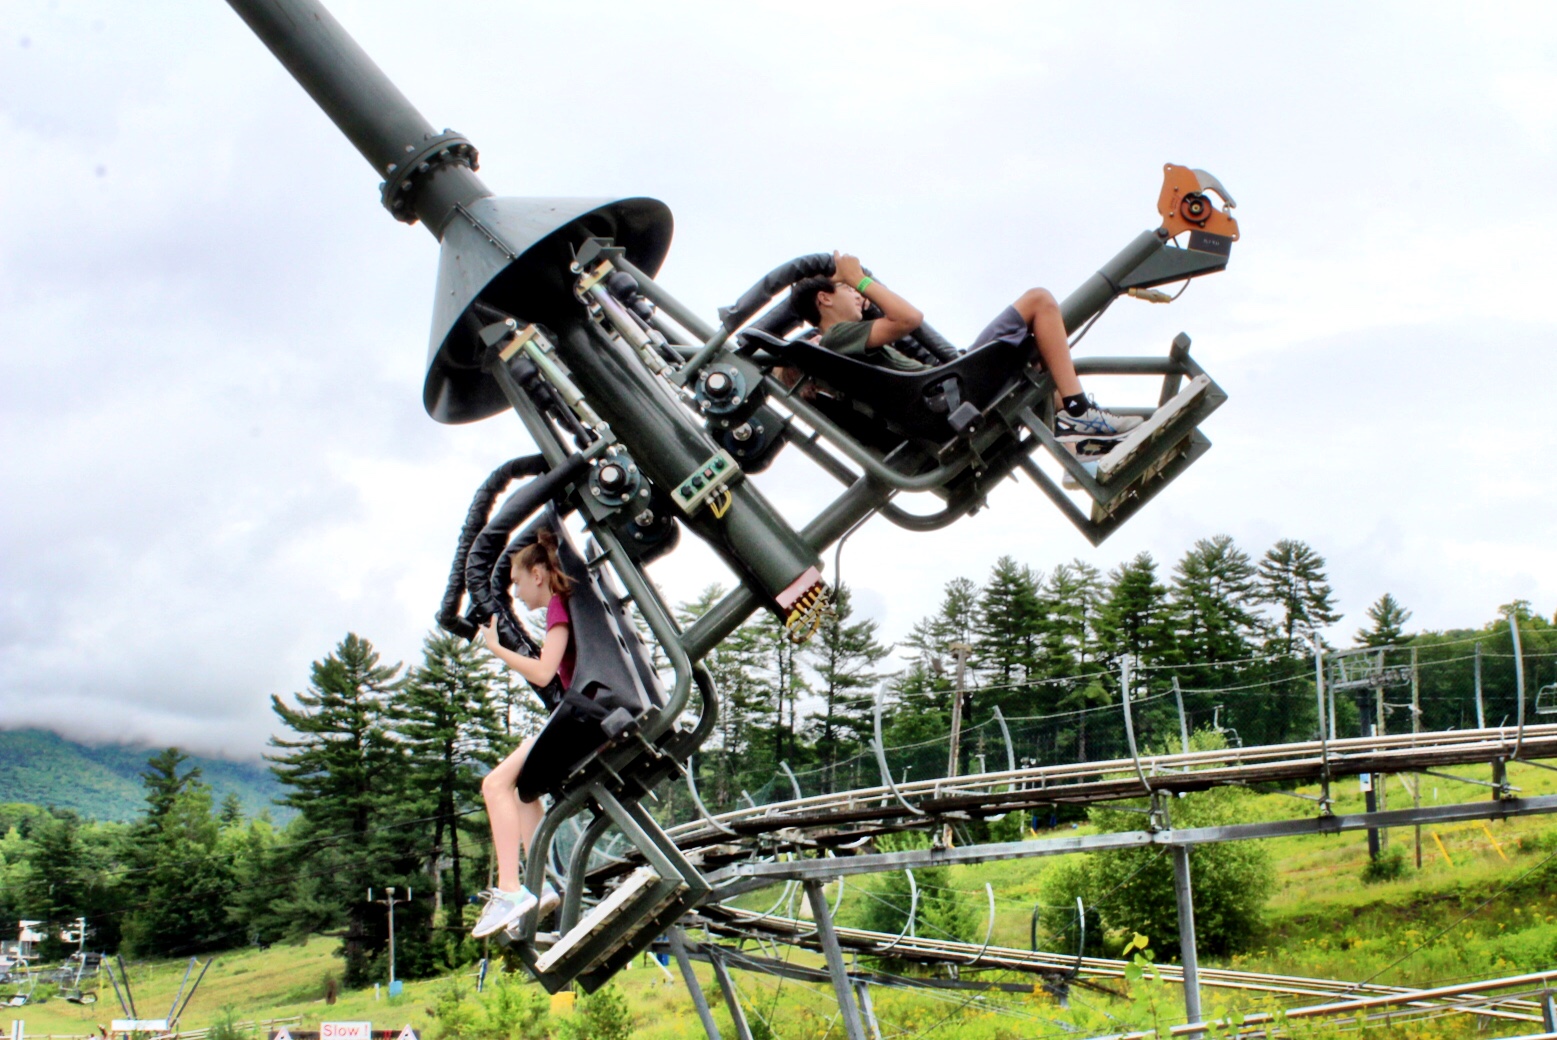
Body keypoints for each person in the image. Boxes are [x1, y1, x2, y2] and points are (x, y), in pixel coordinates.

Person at [789, 252, 1144, 439]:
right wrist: (859, 277)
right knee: (1039, 301)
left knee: (1039, 349)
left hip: (943, 391)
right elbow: (910, 319)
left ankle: (1074, 428)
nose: (857, 295)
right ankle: (1079, 414)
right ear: (824, 299)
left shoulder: (838, 344)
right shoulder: (836, 338)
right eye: (847, 291)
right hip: (949, 391)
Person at [470, 528, 576, 938]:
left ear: (537, 573)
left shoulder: (558, 609)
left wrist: (496, 649)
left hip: (574, 723)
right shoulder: (566, 607)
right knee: (522, 791)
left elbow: (544, 671)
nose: (515, 593)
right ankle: (540, 883)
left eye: (516, 583)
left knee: (494, 784)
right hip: (578, 720)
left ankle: (511, 890)